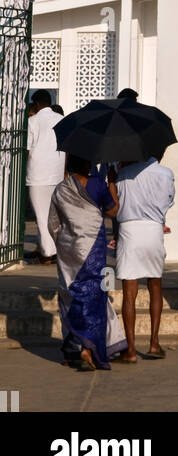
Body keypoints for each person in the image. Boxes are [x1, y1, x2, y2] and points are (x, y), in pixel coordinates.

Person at [48, 155, 126, 371]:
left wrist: (65, 245)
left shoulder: (61, 189)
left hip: (69, 252)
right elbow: (113, 211)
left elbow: (53, 224)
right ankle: (88, 349)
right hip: (93, 250)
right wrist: (111, 182)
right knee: (93, 296)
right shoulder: (97, 184)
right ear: (86, 164)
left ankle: (75, 347)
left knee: (72, 295)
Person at [113, 154, 175, 361]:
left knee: (129, 293)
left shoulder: (122, 174)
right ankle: (154, 343)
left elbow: (115, 205)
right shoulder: (165, 173)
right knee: (155, 286)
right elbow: (169, 201)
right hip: (153, 230)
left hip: (129, 231)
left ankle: (130, 350)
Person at [25, 90, 65, 264]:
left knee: (41, 216)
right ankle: (50, 249)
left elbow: (27, 148)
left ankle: (49, 252)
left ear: (37, 104)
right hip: (56, 171)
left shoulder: (33, 121)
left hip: (38, 173)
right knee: (53, 215)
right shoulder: (61, 120)